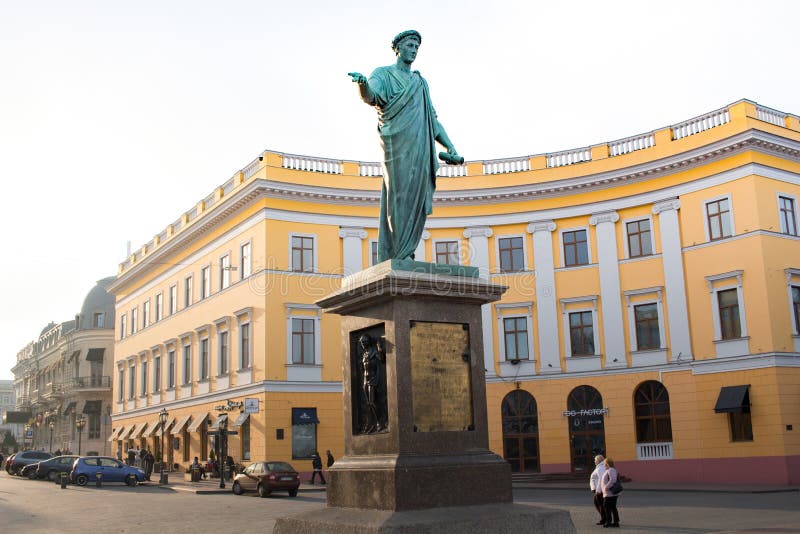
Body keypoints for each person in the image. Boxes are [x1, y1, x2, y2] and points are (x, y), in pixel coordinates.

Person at [349, 30, 460, 262]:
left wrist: (450, 146)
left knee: (416, 200)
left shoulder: (420, 83)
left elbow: (432, 120)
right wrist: (362, 86)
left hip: (420, 146)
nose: (414, 50)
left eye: (417, 47)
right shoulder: (383, 74)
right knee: (398, 196)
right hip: (396, 143)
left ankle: (407, 252)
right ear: (397, 48)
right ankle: (399, 253)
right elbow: (372, 96)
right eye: (410, 45)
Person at [601, 458, 621, 528]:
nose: (604, 465)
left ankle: (608, 522)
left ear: (607, 463)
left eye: (604, 463)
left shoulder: (611, 470)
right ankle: (616, 522)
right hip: (609, 493)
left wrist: (606, 487)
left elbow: (613, 480)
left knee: (607, 507)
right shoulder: (609, 470)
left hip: (610, 493)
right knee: (612, 507)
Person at [589, 454, 607, 526]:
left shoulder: (600, 468)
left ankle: (604, 519)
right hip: (598, 489)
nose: (594, 461)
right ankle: (605, 518)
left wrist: (598, 490)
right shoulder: (600, 467)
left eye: (595, 460)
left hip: (599, 490)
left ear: (598, 460)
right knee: (599, 504)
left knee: (600, 504)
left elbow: (601, 480)